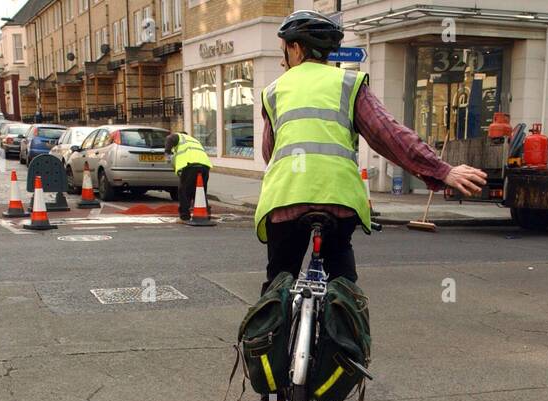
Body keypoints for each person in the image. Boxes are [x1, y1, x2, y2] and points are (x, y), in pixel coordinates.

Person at [255, 10, 487, 294]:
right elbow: (388, 134)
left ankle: (270, 332)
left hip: (285, 199)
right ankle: (344, 315)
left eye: (284, 50)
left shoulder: (273, 91)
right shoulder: (348, 84)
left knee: (277, 287)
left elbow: (270, 153)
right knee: (343, 285)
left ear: (296, 48)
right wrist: (442, 170)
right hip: (339, 201)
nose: (282, 59)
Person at [165, 131, 214, 221]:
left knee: (183, 191)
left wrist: (167, 155)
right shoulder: (193, 141)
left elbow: (169, 138)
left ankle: (184, 216)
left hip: (191, 165)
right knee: (200, 192)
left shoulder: (179, 137)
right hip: (205, 166)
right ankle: (205, 214)